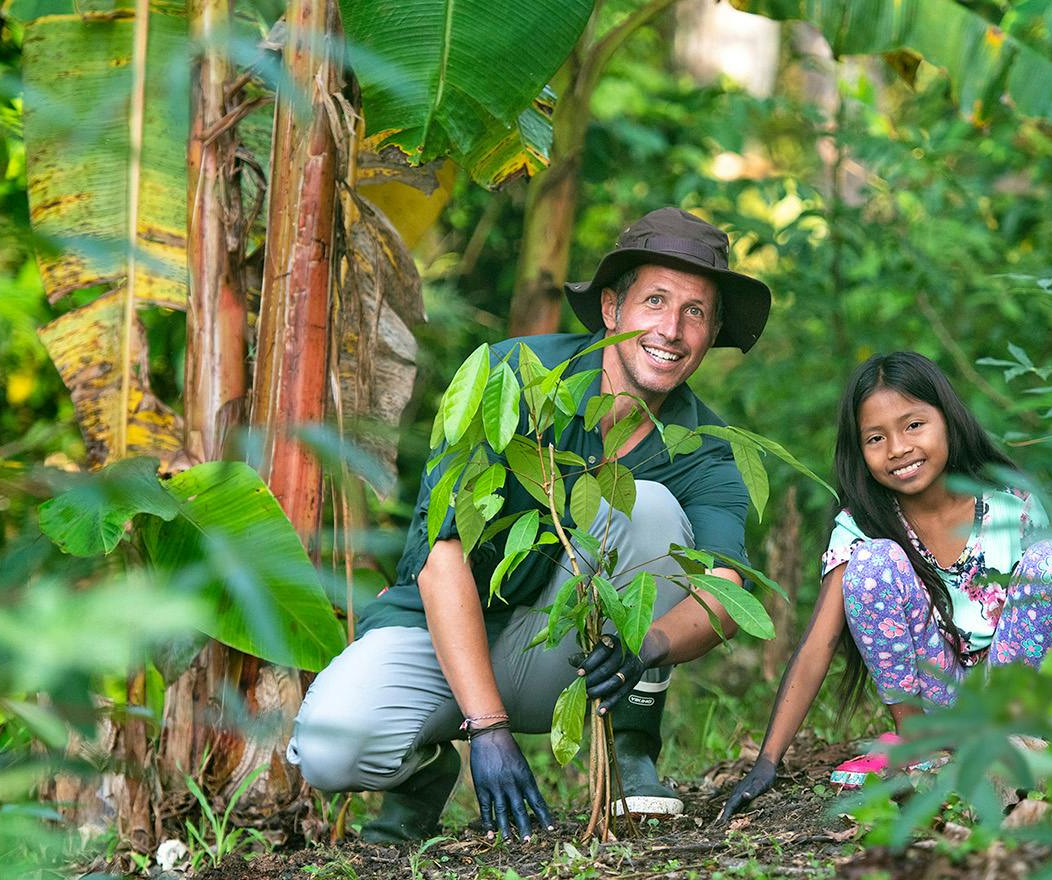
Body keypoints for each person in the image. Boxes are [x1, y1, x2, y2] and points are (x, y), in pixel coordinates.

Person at [289, 207, 774, 842]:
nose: (672, 329)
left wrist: (645, 646)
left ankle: (631, 745)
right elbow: (441, 558)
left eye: (696, 312)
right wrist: (488, 730)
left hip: (568, 656)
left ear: (710, 335)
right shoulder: (514, 375)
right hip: (444, 632)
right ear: (611, 310)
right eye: (655, 301)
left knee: (648, 506)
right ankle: (420, 777)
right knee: (329, 749)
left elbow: (727, 590)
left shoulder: (705, 448)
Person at [714, 351, 1052, 824]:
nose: (898, 448)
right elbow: (817, 645)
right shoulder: (861, 527)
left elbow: (1048, 616)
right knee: (872, 563)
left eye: (913, 425)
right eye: (876, 438)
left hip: (1012, 699)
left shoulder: (1015, 506)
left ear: (948, 420)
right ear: (859, 451)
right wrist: (766, 762)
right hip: (936, 706)